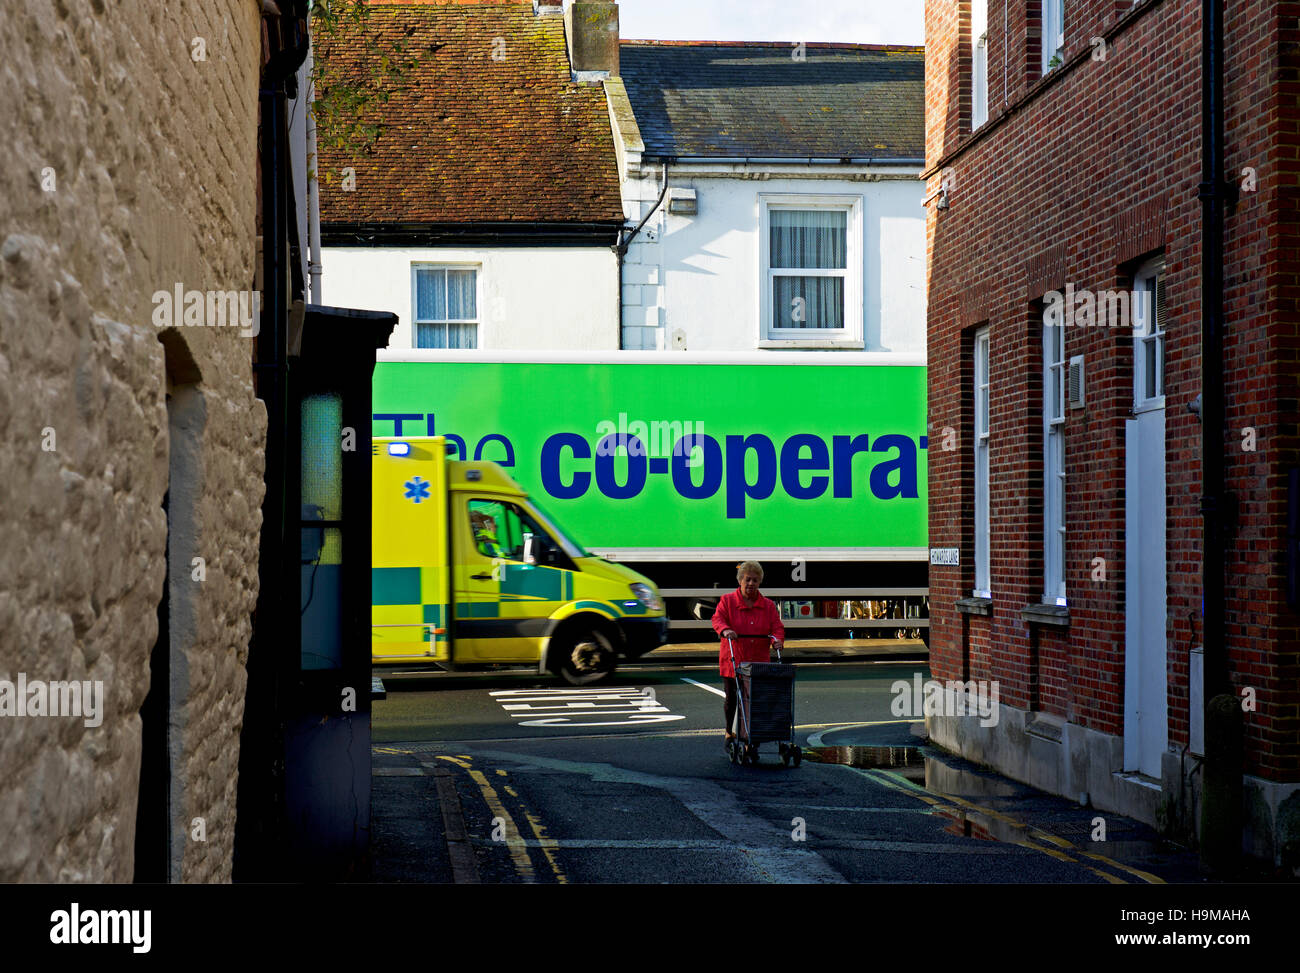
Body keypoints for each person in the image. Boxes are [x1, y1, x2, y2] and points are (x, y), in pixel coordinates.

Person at [712, 560, 784, 751]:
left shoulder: (767, 605)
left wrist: (777, 640)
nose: (751, 583)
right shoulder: (727, 601)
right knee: (732, 698)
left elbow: (776, 626)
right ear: (740, 581)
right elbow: (717, 619)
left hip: (758, 661)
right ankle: (729, 730)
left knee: (756, 700)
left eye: (755, 580)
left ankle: (751, 735)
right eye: (747, 579)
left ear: (760, 582)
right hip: (734, 657)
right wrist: (725, 630)